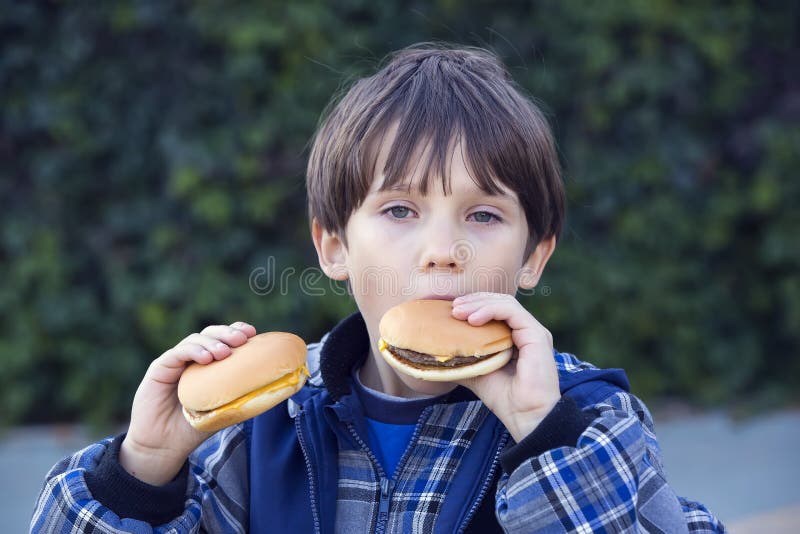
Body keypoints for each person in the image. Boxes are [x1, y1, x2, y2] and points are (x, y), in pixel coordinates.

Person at [31, 43, 725, 533]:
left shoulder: (591, 422)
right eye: (400, 210)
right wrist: (142, 470)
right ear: (333, 245)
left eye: (483, 215)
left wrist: (544, 437)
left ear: (533, 258)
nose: (442, 252)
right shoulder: (260, 426)